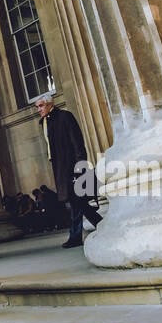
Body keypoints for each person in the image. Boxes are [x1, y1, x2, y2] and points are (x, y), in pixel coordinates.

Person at [35, 93, 103, 248]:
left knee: (76, 200)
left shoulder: (65, 117)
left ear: (50, 104)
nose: (38, 109)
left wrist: (80, 166)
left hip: (72, 166)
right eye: (37, 106)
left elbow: (77, 142)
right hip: (60, 167)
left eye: (41, 105)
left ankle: (75, 236)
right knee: (77, 201)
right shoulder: (46, 122)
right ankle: (102, 224)